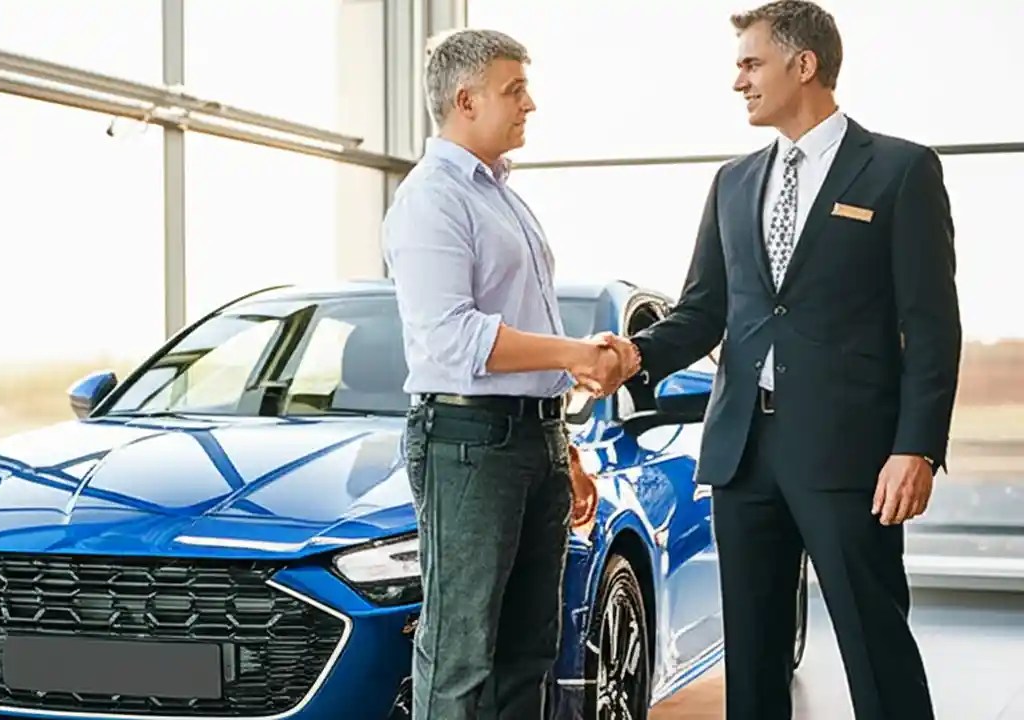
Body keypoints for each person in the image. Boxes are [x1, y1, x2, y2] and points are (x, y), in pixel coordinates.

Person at [597, 2, 961, 718]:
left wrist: (916, 447)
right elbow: (703, 311)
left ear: (805, 65)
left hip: (851, 456)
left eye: (750, 63)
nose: (738, 81)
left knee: (876, 649)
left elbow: (932, 327)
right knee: (755, 661)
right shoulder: (733, 182)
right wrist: (635, 355)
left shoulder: (899, 170)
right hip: (742, 456)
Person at [382, 28, 613, 720]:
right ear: (465, 100)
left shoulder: (502, 195)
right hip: (468, 444)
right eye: (515, 90)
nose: (530, 104)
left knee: (528, 653)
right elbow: (453, 338)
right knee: (460, 656)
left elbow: (515, 329)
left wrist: (561, 447)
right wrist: (574, 355)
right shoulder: (432, 198)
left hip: (529, 440)